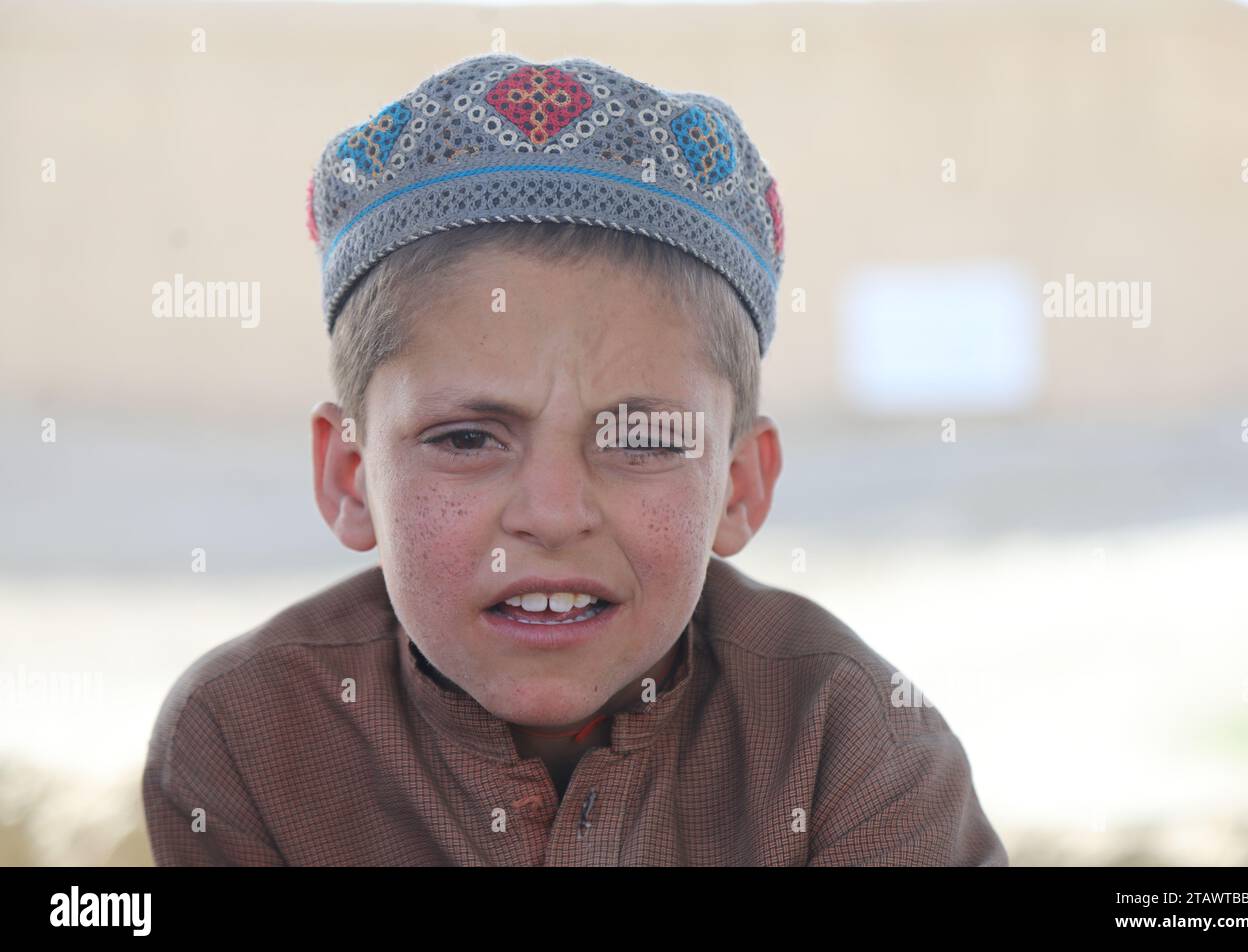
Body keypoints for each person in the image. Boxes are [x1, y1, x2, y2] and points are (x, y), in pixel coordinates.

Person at [141, 53, 1008, 866]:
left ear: (739, 485)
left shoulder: (851, 749)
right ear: (350, 478)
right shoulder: (248, 737)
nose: (553, 513)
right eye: (468, 440)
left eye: (641, 440)